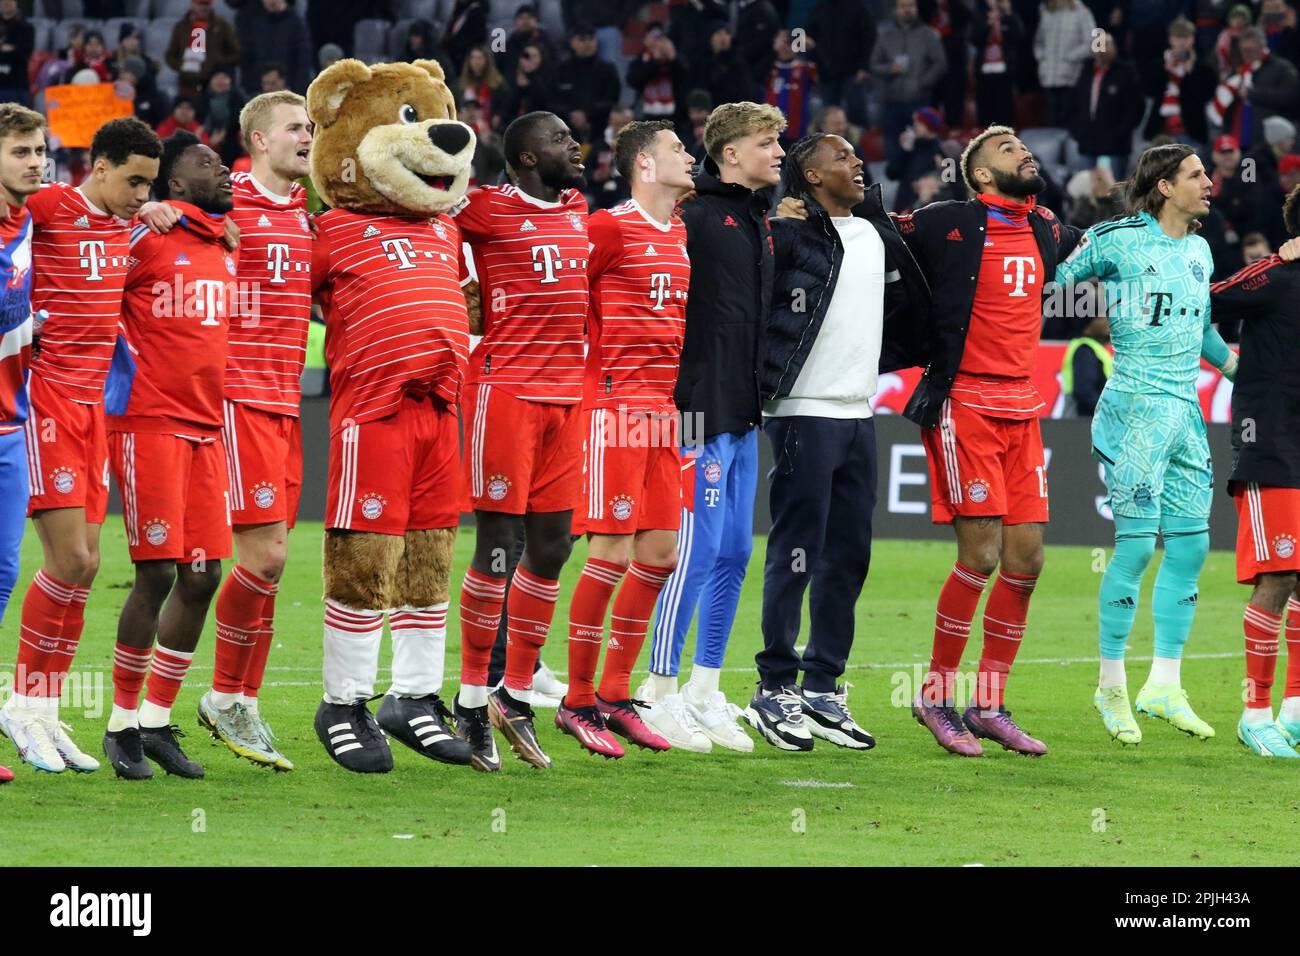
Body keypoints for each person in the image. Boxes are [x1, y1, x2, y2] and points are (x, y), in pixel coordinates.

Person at [894, 126, 1082, 758]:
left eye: (1024, 148)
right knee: (980, 556)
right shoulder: (946, 221)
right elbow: (875, 230)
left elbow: (1109, 250)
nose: (1024, 153)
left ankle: (989, 702)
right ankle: (935, 695)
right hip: (964, 403)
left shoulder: (1046, 229)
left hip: (1022, 407)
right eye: (1006, 150)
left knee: (1026, 562)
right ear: (978, 175)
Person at [1053, 144, 1239, 746]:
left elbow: (1204, 329)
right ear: (1163, 187)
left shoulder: (1200, 249)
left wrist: (1241, 371)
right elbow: (1055, 287)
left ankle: (1163, 685)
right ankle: (1110, 685)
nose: (1208, 183)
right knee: (1133, 549)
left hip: (1186, 413)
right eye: (1196, 175)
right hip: (1135, 409)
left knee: (1190, 546)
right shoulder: (1115, 239)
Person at [752, 133, 929, 751]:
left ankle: (822, 684)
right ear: (810, 173)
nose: (858, 163)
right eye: (843, 157)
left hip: (858, 412)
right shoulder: (789, 234)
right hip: (803, 411)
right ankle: (774, 685)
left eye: (858, 155)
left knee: (849, 556)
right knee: (795, 552)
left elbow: (913, 291)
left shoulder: (876, 234)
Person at [0, 117, 160, 777]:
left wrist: (165, 207)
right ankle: (19, 705)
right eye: (132, 180)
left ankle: (43, 707)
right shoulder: (48, 207)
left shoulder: (132, 223)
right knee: (66, 560)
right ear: (97, 167)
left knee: (89, 566)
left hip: (96, 408)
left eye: (149, 183)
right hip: (46, 404)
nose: (139, 193)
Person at [638, 103, 785, 754]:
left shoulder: (759, 220)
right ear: (729, 153)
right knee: (691, 552)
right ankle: (657, 689)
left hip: (745, 409)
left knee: (735, 553)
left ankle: (704, 687)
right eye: (766, 142)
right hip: (696, 406)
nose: (778, 152)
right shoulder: (693, 217)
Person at [449, 112, 589, 772]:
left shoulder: (580, 212)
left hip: (567, 397)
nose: (575, 147)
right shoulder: (485, 209)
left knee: (554, 544)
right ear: (527, 158)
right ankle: (472, 699)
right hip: (504, 392)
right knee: (499, 546)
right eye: (561, 140)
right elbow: (424, 215)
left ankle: (514, 689)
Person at [101, 131, 237, 780]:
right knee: (155, 573)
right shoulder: (144, 236)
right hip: (147, 424)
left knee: (203, 576)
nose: (223, 170)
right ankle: (120, 725)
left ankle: (155, 721)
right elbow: (84, 264)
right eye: (208, 165)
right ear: (175, 184)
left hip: (206, 431)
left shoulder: (221, 244)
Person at [558, 120, 696, 758]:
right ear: (644, 163)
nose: (687, 156)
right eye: (676, 149)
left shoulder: (680, 234)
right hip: (611, 409)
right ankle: (577, 701)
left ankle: (615, 697)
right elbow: (560, 303)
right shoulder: (607, 228)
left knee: (661, 553)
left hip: (663, 414)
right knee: (609, 553)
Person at [189, 91, 311, 771]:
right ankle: (222, 696)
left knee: (274, 561)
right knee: (262, 557)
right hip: (234, 397)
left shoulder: (307, 215)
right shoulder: (223, 196)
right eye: (295, 128)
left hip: (287, 404)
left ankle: (245, 700)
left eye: (312, 128)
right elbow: (151, 231)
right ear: (258, 140)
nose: (307, 137)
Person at [1208, 185, 1300, 757]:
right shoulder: (1278, 278)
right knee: (1279, 578)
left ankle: (1294, 708)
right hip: (1272, 445)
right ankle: (1255, 712)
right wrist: (1274, 257)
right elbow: (1205, 298)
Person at [0, 105, 45, 780]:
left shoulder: (42, 220)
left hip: (12, 424)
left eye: (40, 151)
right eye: (19, 153)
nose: (36, 161)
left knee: (4, 572)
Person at [870, 0, 947, 165]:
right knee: (894, 150)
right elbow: (874, 64)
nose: (907, 10)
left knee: (922, 147)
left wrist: (922, 83)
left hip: (920, 101)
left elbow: (940, 64)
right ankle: (899, 185)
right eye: (903, 6)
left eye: (911, 6)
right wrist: (890, 69)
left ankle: (922, 181)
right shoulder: (885, 36)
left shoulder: (928, 34)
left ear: (917, 9)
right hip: (892, 101)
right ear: (895, 10)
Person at [1207, 26, 1299, 154]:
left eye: (1250, 50)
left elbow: (1291, 98)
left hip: (1269, 144)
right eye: (1243, 51)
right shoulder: (1238, 72)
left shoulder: (1282, 68)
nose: (1245, 55)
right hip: (1238, 143)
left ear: (1262, 47)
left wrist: (1253, 94)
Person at [1070, 31, 1144, 178]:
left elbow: (1135, 109)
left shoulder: (1126, 73)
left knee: (1113, 193)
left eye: (1106, 44)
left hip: (1115, 148)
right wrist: (1078, 132)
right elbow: (1074, 105)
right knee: (1086, 191)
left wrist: (1119, 134)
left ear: (1115, 47)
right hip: (1087, 145)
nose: (1102, 49)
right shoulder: (1085, 72)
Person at [1142, 17, 1216, 153]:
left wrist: (1190, 73)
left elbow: (1204, 96)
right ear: (1170, 39)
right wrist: (1166, 70)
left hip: (1191, 133)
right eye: (1177, 37)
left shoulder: (1203, 68)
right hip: (1160, 133)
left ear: (1193, 39)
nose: (1182, 42)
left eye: (1186, 37)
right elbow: (1149, 91)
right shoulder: (1158, 65)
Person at [1033, 0, 1096, 129]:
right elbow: (1038, 41)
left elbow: (1093, 42)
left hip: (1071, 77)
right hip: (1048, 78)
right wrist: (1042, 58)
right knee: (1051, 122)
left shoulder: (1082, 12)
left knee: (1068, 122)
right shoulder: (1046, 11)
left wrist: (1071, 57)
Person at [553, 24, 620, 141]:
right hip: (565, 130)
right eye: (582, 39)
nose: (588, 43)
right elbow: (553, 100)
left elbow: (612, 99)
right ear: (572, 42)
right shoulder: (560, 70)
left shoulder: (607, 69)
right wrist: (571, 114)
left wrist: (587, 114)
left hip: (600, 130)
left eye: (591, 39)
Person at [165, 0, 241, 99]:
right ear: (192, 5)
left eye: (206, 4)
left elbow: (236, 53)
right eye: (200, 4)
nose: (203, 8)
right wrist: (182, 66)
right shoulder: (181, 27)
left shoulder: (222, 26)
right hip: (187, 82)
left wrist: (217, 64)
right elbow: (170, 55)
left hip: (213, 84)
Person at [969, 0, 1025, 129]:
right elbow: (974, 39)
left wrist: (1009, 14)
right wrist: (988, 25)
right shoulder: (979, 15)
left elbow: (1019, 35)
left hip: (1005, 73)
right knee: (986, 115)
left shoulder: (1009, 16)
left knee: (1004, 114)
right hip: (984, 73)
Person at [1061, 313, 1112, 417]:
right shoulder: (1085, 351)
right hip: (1083, 421)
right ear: (1088, 323)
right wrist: (1109, 411)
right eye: (1101, 318)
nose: (1108, 322)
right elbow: (1085, 392)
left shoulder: (1094, 348)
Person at [0, 0, 35, 106]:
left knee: (19, 119)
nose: (6, 3)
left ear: (16, 3)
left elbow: (27, 52)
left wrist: (12, 49)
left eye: (10, 0)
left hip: (17, 83)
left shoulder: (26, 27)